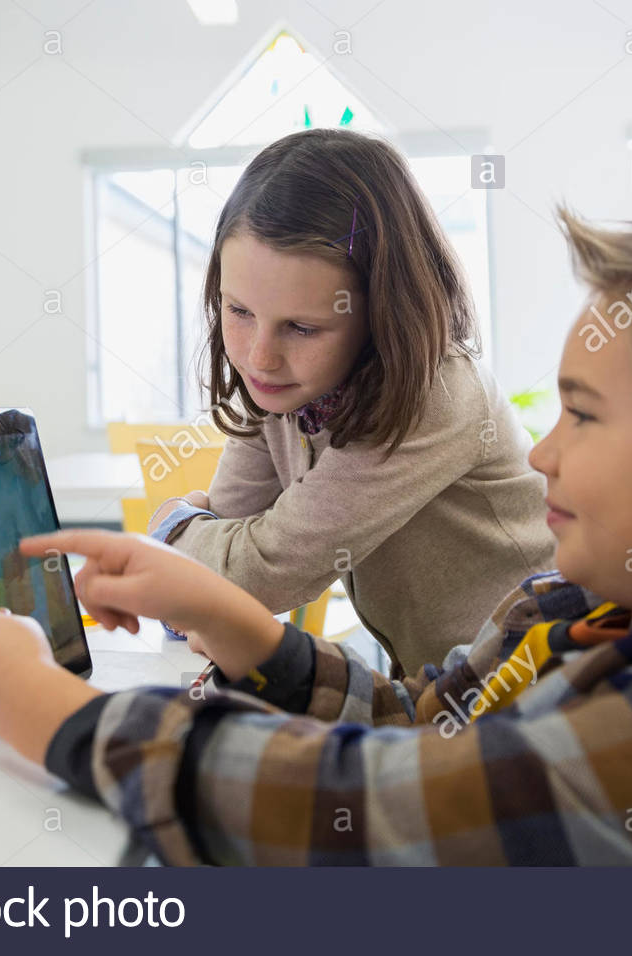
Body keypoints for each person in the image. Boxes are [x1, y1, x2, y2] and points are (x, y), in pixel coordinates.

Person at [0, 208, 632, 865]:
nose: (541, 453)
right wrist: (218, 609)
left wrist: (52, 710)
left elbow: (383, 811)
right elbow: (420, 721)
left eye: (583, 417)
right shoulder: (582, 604)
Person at [146, 127, 555, 677]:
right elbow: (218, 580)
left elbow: (256, 574)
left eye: (302, 327)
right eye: (238, 311)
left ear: (383, 312)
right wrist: (204, 564)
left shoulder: (435, 393)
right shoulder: (282, 389)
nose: (259, 357)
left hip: (533, 681)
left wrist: (172, 528)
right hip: (435, 687)